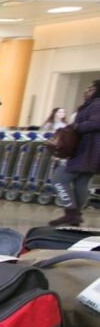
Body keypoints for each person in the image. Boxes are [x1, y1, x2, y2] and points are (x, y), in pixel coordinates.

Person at [49, 80, 99, 226]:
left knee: (59, 179)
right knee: (81, 183)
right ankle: (75, 215)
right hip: (92, 152)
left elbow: (97, 123)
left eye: (90, 88)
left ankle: (71, 213)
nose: (86, 91)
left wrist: (76, 126)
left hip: (86, 150)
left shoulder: (96, 104)